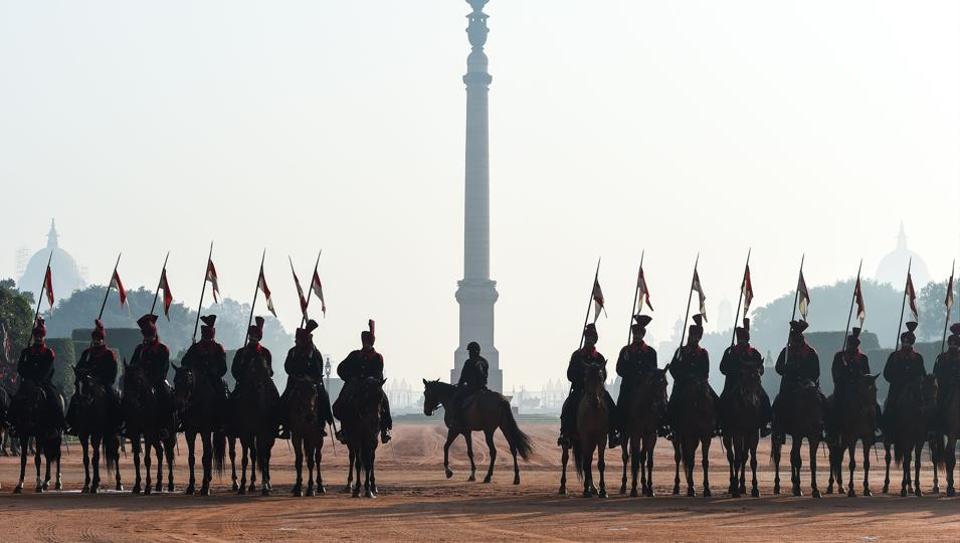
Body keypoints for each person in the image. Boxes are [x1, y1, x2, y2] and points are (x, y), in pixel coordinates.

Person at [558, 323, 619, 448]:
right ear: (585, 339)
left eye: (592, 338)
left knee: (611, 406)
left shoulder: (600, 358)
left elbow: (605, 376)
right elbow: (570, 374)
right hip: (580, 389)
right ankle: (566, 434)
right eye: (587, 338)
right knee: (569, 406)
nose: (589, 341)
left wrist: (597, 381)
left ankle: (613, 434)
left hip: (597, 390)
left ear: (595, 340)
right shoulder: (577, 355)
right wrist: (582, 378)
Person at [334, 320, 392, 444]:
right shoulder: (354, 355)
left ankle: (385, 429)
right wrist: (350, 378)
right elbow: (341, 369)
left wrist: (372, 380)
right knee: (343, 399)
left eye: (368, 342)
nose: (366, 344)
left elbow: (378, 373)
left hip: (372, 385)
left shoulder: (378, 357)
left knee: (384, 401)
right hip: (355, 384)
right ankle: (344, 429)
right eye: (365, 342)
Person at [279, 320, 333, 438]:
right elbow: (287, 367)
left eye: (298, 339)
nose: (296, 341)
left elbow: (319, 370)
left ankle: (322, 424)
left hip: (312, 382)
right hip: (295, 381)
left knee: (323, 396)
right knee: (284, 399)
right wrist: (296, 374)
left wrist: (310, 377)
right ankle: (286, 427)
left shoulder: (314, 353)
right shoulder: (292, 352)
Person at [772, 319, 822, 444]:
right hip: (790, 384)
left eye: (795, 339)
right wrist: (789, 368)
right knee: (778, 403)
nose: (793, 341)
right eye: (793, 339)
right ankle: (777, 426)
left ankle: (823, 427)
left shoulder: (811, 353)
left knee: (822, 401)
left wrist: (807, 378)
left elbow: (816, 372)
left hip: (807, 384)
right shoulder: (786, 352)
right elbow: (778, 368)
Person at [719, 318, 772, 436]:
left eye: (744, 339)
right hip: (733, 383)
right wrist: (734, 371)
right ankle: (721, 424)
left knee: (765, 398)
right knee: (722, 400)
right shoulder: (730, 352)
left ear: (747, 339)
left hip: (752, 383)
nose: (742, 341)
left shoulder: (754, 353)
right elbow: (722, 368)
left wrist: (756, 372)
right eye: (740, 339)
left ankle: (765, 424)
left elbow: (761, 369)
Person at [68, 319, 121, 435]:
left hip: (104, 383)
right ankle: (72, 424)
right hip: (87, 383)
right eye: (95, 339)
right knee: (75, 398)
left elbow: (112, 372)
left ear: (102, 339)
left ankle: (117, 424)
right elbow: (80, 367)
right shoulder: (87, 353)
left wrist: (101, 380)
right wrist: (81, 372)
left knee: (114, 398)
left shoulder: (109, 354)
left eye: (99, 339)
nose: (96, 341)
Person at [667, 314, 718, 435]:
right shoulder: (681, 351)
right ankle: (670, 427)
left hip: (700, 383)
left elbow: (706, 371)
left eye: (697, 337)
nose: (694, 338)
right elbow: (673, 368)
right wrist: (682, 378)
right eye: (693, 336)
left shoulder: (703, 353)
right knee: (672, 402)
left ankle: (717, 426)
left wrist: (699, 379)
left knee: (717, 401)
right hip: (682, 383)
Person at [616, 314, 665, 436]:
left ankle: (663, 426)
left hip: (646, 386)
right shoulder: (625, 350)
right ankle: (617, 430)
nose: (637, 336)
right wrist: (629, 371)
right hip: (629, 385)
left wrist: (645, 378)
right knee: (621, 405)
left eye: (639, 334)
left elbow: (653, 370)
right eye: (635, 334)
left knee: (661, 403)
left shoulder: (650, 352)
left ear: (643, 335)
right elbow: (619, 369)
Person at [14, 317, 64, 430]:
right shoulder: (26, 352)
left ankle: (61, 424)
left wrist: (38, 380)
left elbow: (48, 369)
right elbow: (20, 368)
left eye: (40, 336)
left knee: (54, 399)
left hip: (44, 382)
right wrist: (28, 377)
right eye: (36, 336)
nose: (38, 338)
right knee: (16, 398)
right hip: (28, 382)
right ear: (33, 337)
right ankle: (11, 422)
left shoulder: (48, 353)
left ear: (43, 337)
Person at [829, 327, 880, 438]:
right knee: (833, 406)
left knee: (874, 406)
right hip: (843, 389)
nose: (851, 347)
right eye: (850, 345)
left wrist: (862, 379)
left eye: (854, 345)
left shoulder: (863, 358)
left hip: (859, 389)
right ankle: (832, 432)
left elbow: (868, 375)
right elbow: (835, 372)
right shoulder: (840, 356)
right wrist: (842, 375)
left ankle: (875, 428)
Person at [129, 314, 174, 436]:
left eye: (149, 335)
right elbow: (132, 365)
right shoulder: (139, 349)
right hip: (141, 381)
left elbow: (164, 368)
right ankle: (128, 425)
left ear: (154, 334)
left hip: (158, 380)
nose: (147, 338)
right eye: (145, 335)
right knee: (128, 396)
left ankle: (165, 425)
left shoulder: (162, 349)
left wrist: (151, 379)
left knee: (166, 395)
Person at [882, 321, 925, 440]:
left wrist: (916, 381)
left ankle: (926, 431)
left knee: (923, 407)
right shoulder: (894, 356)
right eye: (904, 342)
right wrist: (896, 380)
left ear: (912, 343)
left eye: (908, 342)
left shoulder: (918, 358)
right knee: (889, 406)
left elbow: (922, 374)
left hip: (913, 388)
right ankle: (886, 431)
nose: (906, 344)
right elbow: (886, 373)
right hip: (897, 387)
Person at [180, 315, 229, 406]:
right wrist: (194, 365)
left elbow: (223, 368)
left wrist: (214, 371)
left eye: (208, 337)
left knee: (223, 395)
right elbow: (184, 362)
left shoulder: (218, 348)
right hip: (196, 378)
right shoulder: (195, 347)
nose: (207, 340)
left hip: (213, 378)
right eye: (205, 337)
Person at [451, 341, 489, 428]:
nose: (469, 353)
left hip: (472, 388)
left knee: (456, 399)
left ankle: (456, 420)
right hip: (483, 388)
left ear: (475, 351)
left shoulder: (469, 362)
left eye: (470, 351)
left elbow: (463, 376)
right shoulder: (485, 361)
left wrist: (459, 386)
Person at [231, 316, 275, 385]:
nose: (253, 338)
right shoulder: (241, 352)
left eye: (255, 336)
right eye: (251, 336)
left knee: (274, 395)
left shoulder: (265, 353)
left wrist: (266, 372)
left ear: (258, 338)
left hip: (261, 384)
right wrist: (241, 379)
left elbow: (270, 371)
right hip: (244, 383)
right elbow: (234, 369)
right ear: (248, 337)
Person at [933, 324, 960, 421]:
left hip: (957, 385)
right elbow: (935, 372)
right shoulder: (942, 357)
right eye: (951, 344)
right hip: (944, 386)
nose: (953, 346)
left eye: (955, 344)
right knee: (936, 405)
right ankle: (934, 428)